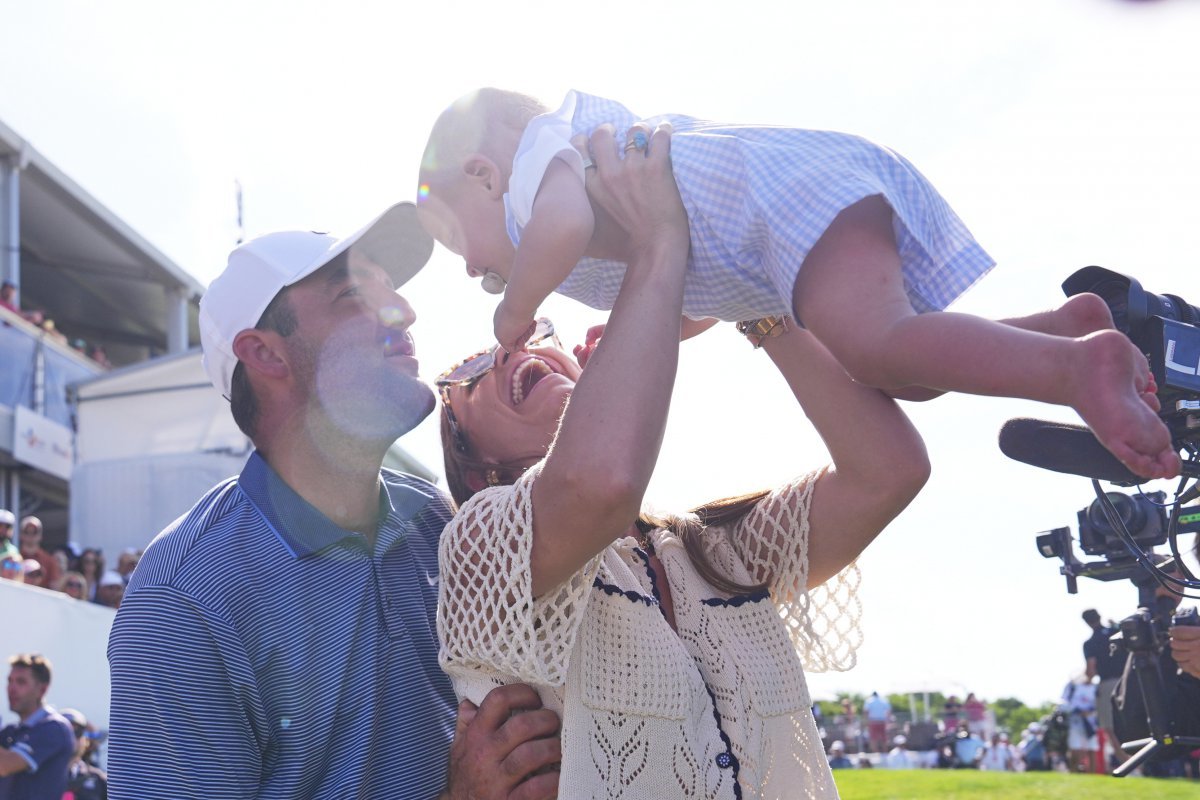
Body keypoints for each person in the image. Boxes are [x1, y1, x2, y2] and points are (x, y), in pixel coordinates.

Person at [105, 155, 666, 798]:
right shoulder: (184, 597)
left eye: (389, 288)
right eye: (354, 295)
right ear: (264, 354)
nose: (404, 310)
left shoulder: (443, 526)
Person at [435, 123, 930, 798]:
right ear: (471, 463)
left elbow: (888, 472)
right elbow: (598, 481)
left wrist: (748, 300)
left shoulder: (708, 552)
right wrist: (659, 242)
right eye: (468, 369)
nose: (509, 349)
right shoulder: (478, 547)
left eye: (541, 334)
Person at [416, 87, 1179, 482]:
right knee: (900, 375)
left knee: (879, 348)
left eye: (458, 247)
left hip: (781, 202)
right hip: (775, 236)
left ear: (483, 177)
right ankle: (1062, 326)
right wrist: (642, 327)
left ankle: (1078, 368)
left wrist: (517, 307)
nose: (471, 270)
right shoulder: (567, 210)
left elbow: (558, 230)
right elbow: (694, 293)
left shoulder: (541, 176)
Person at [0, 654, 75, 799]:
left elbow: (4, 765)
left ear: (42, 690)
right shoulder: (12, 731)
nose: (11, 688)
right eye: (10, 681)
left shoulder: (55, 728)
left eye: (21, 682)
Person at [1081, 608, 1126, 766]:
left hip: (1108, 685)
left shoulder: (1090, 643)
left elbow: (1091, 671)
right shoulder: (1116, 630)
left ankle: (1129, 763)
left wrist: (1082, 682)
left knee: (1109, 727)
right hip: (1129, 680)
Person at [59, 708, 107, 800]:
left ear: (86, 741)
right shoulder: (34, 776)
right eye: (63, 731)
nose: (70, 737)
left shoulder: (100, 781)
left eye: (77, 732)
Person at [1061, 675, 1098, 773]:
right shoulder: (1072, 686)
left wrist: (1091, 712)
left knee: (1092, 750)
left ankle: (1092, 777)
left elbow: (1100, 705)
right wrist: (1077, 711)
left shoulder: (1096, 687)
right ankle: (1073, 772)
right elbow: (1063, 703)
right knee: (1075, 751)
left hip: (1091, 725)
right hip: (1075, 723)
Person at [17, 517, 60, 591]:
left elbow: (54, 586)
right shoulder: (14, 558)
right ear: (21, 535)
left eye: (35, 532)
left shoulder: (50, 561)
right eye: (27, 532)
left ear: (40, 535)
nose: (31, 536)